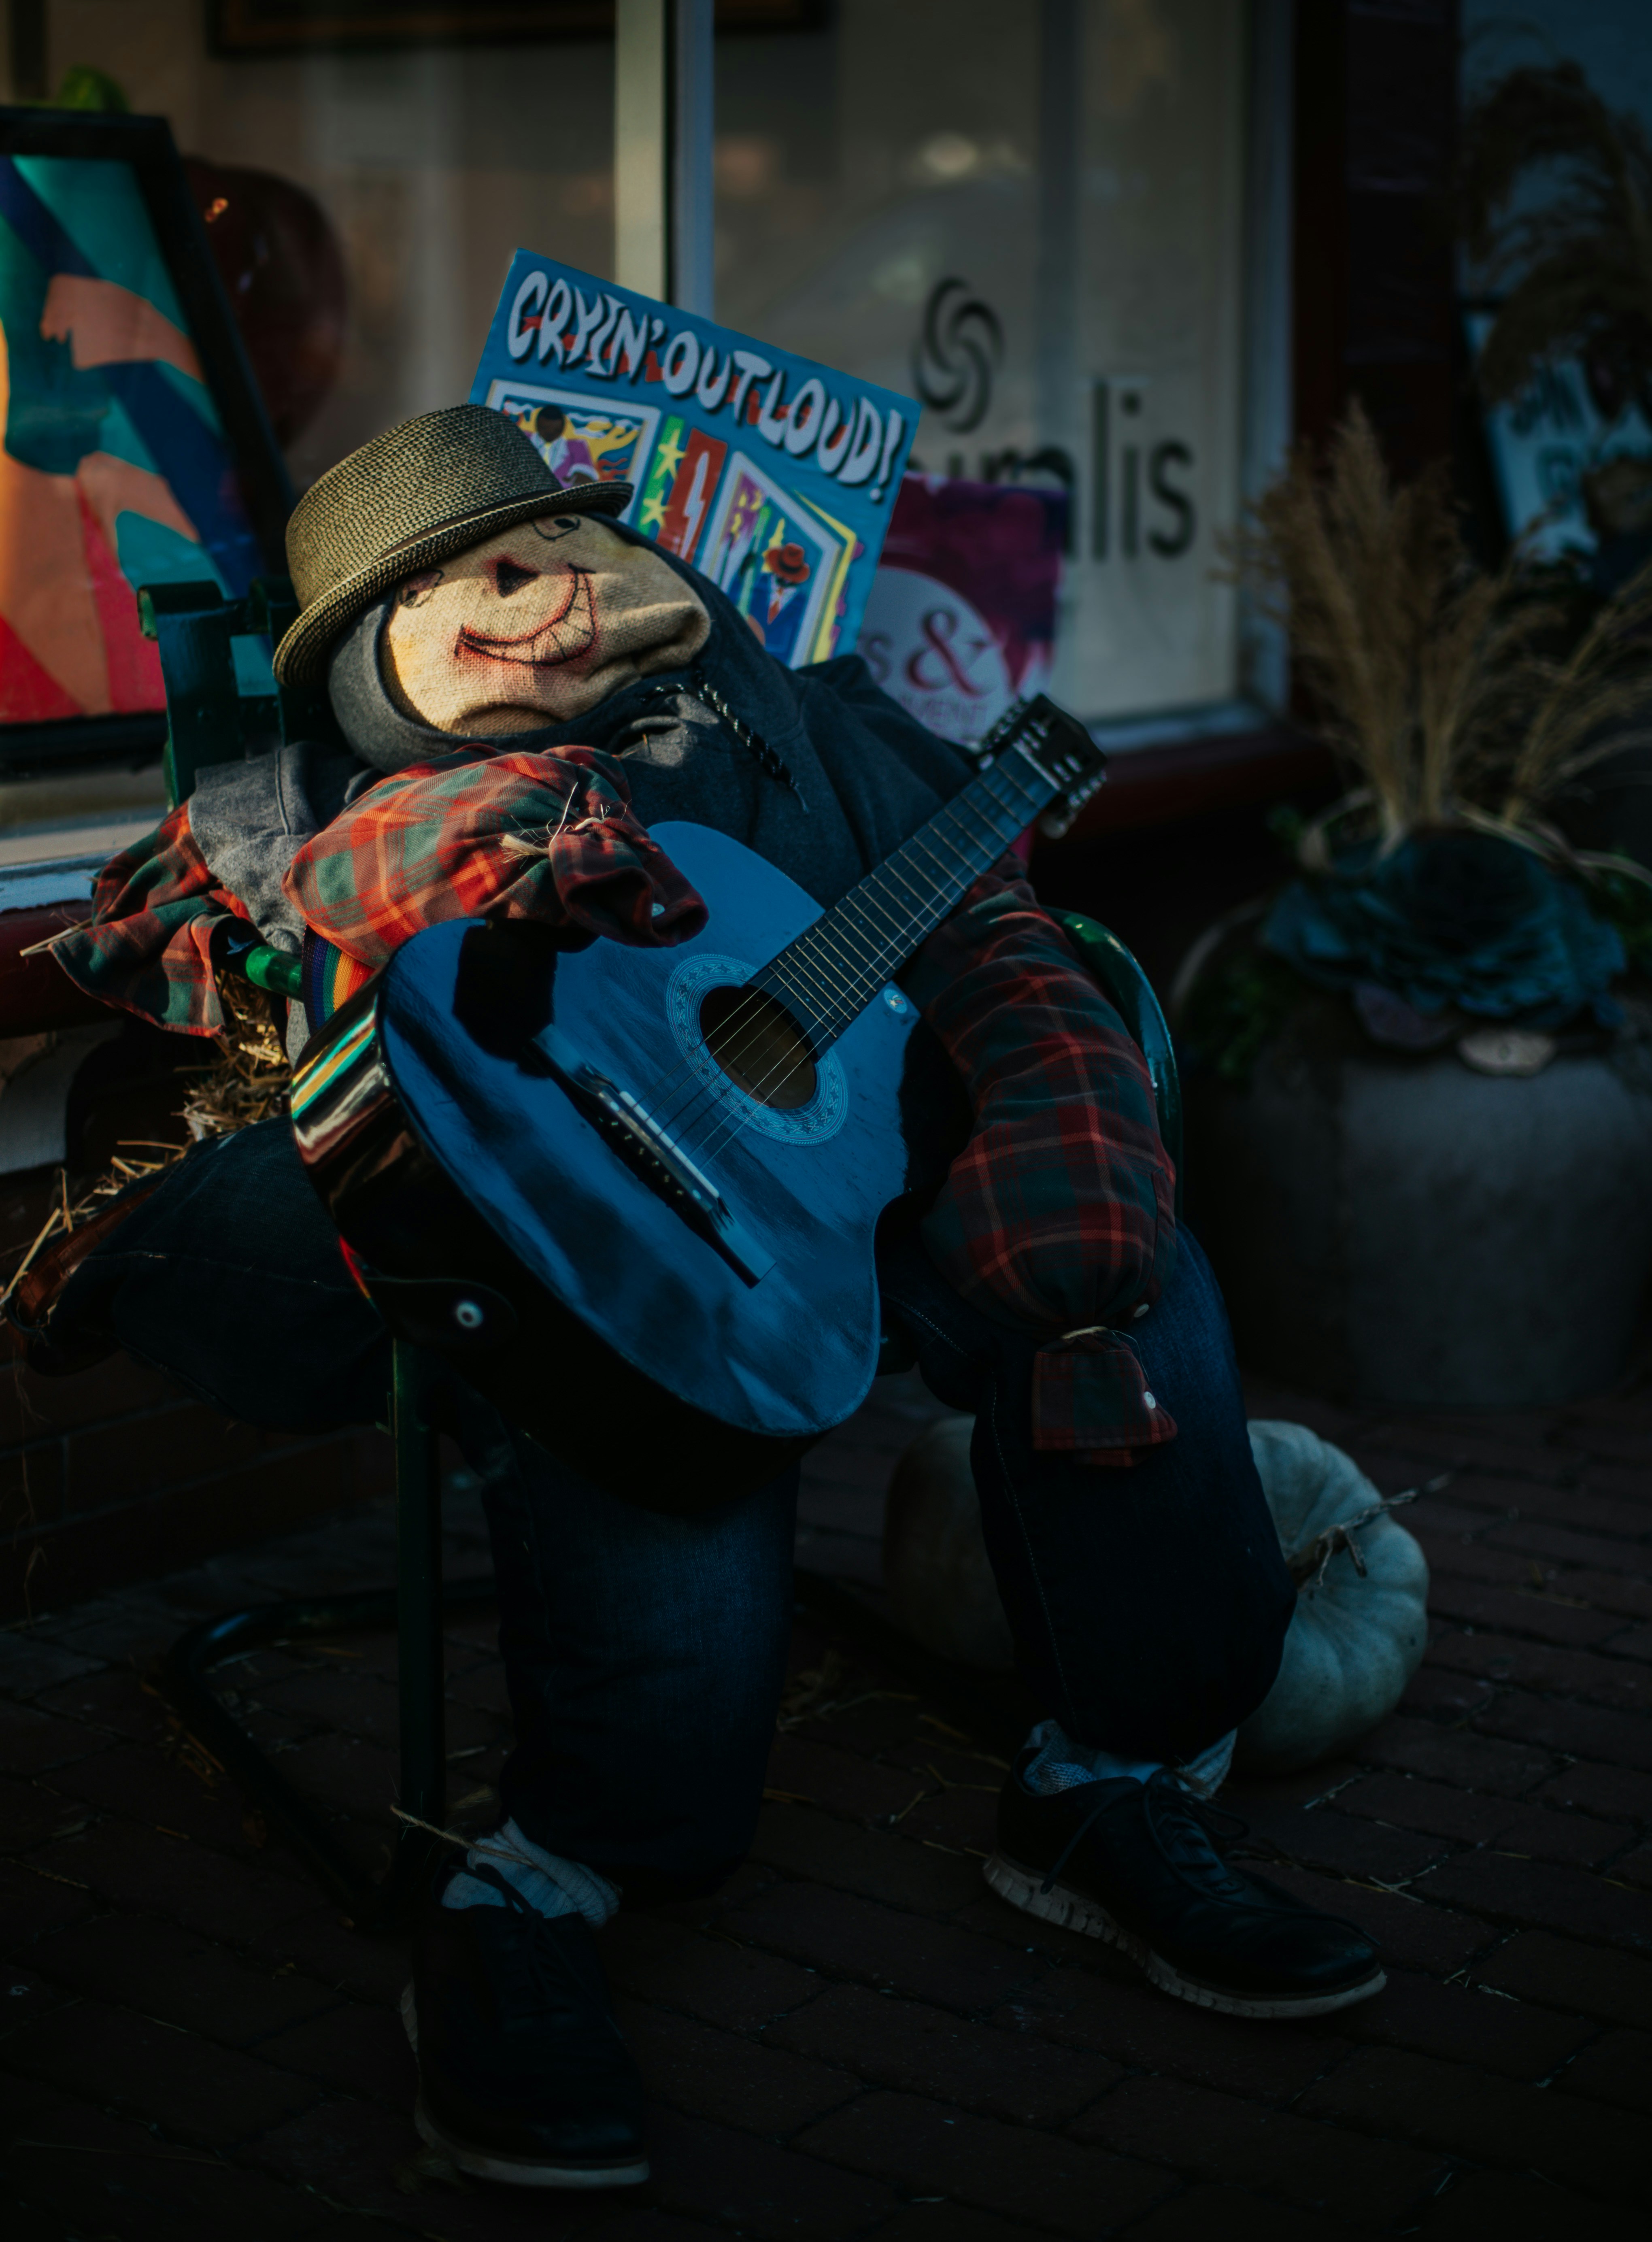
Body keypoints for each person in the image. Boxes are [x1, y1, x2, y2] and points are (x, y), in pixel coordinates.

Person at [25, 405, 1382, 2192]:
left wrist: (1046, 1093)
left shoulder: (810, 722)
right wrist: (514, 854)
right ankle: (544, 1879)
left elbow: (975, 923)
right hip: (523, 1198)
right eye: (488, 579)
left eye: (569, 547)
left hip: (836, 1172)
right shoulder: (359, 794)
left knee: (1124, 1283)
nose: (562, 601)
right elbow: (343, 887)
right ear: (378, 653)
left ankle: (1110, 1780)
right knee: (635, 1330)